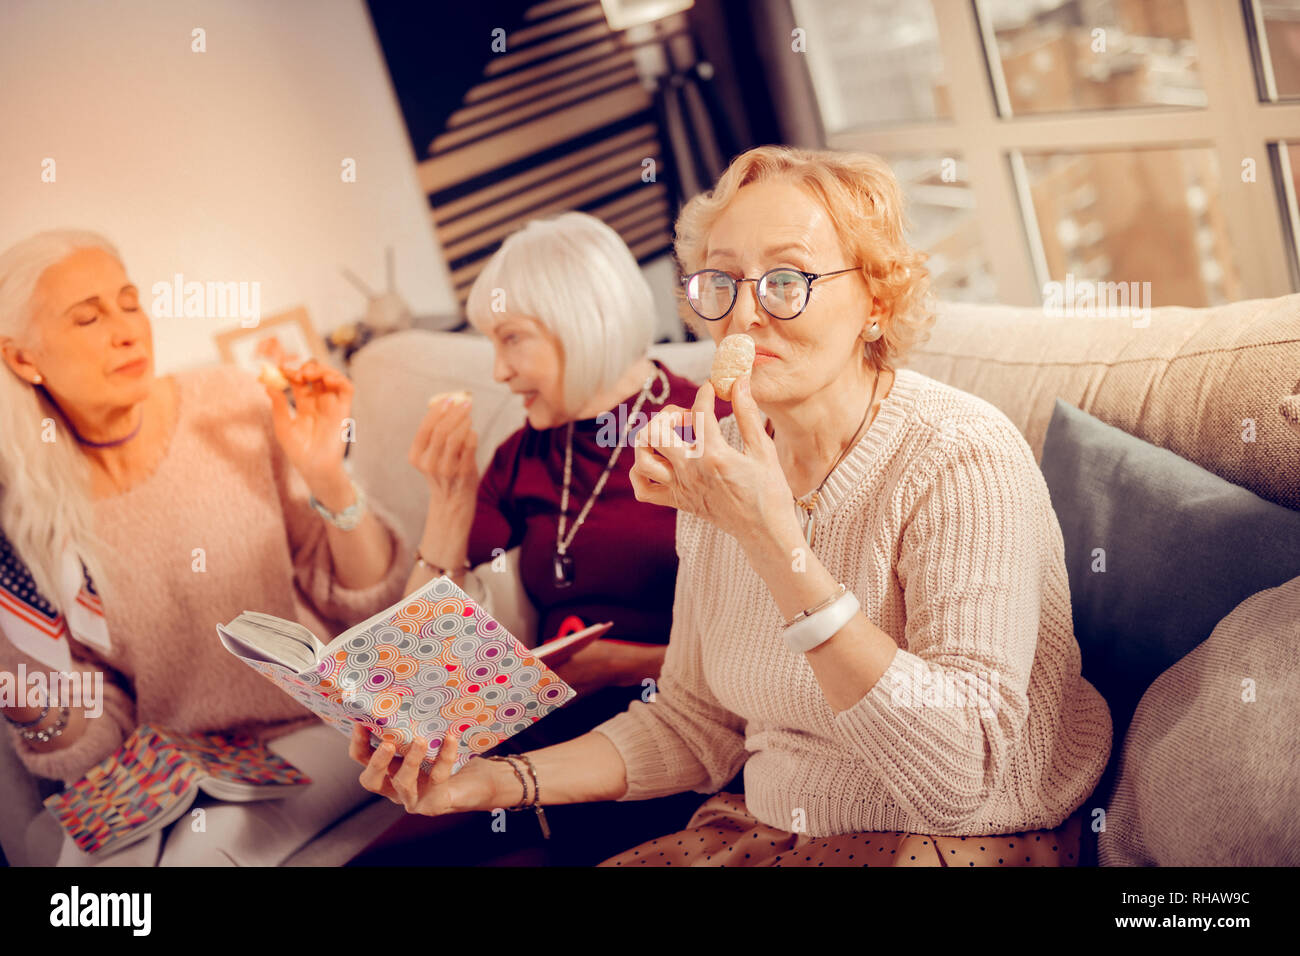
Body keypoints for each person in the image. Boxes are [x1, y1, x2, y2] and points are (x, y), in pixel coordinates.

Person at [351, 146, 1114, 867]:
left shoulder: (960, 455)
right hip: (769, 826)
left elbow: (960, 775)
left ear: (876, 301)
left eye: (788, 279)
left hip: (956, 837)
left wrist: (774, 542)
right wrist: (486, 782)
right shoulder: (716, 459)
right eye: (722, 281)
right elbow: (694, 723)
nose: (745, 314)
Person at [0, 230, 411, 866]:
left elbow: (368, 601)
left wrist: (329, 476)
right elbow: (103, 716)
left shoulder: (228, 399)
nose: (126, 330)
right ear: (24, 360)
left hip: (322, 721)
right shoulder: (30, 509)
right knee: (81, 871)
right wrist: (26, 697)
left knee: (200, 858)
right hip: (184, 762)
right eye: (87, 317)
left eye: (129, 302)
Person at [348, 211, 729, 866]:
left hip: (676, 751)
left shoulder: (710, 429)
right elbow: (419, 670)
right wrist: (447, 504)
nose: (497, 371)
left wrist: (625, 664)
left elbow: (769, 654)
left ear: (584, 324)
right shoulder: (521, 455)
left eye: (511, 340)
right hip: (530, 750)